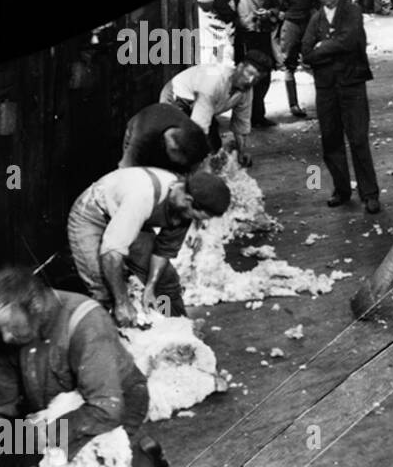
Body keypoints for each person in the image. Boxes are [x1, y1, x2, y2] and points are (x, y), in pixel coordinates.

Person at [0, 268, 169, 467]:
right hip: (63, 411)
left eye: (10, 327)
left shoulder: (85, 321)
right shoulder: (12, 334)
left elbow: (107, 408)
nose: (5, 337)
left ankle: (136, 455)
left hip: (117, 403)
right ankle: (130, 451)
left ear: (35, 306)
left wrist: (50, 433)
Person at [67, 166, 230, 325]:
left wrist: (151, 287)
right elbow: (111, 253)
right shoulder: (143, 197)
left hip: (127, 216)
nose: (198, 220)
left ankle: (174, 326)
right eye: (199, 215)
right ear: (189, 200)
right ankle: (119, 343)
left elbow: (163, 251)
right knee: (104, 289)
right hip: (92, 216)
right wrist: (122, 302)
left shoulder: (183, 208)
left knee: (165, 282)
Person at [301, 0, 381, 214]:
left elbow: (349, 41)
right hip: (326, 89)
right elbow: (306, 51)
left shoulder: (352, 12)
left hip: (352, 84)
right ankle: (342, 189)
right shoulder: (315, 18)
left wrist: (321, 48)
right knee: (331, 139)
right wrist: (324, 50)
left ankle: (370, 193)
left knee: (358, 138)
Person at [160, 57, 265, 165]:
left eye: (256, 79)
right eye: (249, 74)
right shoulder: (213, 82)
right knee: (181, 144)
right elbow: (199, 125)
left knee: (214, 147)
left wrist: (242, 152)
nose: (250, 80)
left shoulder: (246, 90)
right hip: (178, 95)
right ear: (239, 67)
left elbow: (241, 122)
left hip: (202, 103)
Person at [225, 0, 277, 128]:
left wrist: (270, 12)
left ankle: (258, 115)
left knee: (264, 74)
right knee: (245, 76)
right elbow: (221, 4)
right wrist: (241, 19)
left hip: (263, 33)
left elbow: (277, 6)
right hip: (245, 35)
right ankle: (242, 118)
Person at [271, 0, 315, 118]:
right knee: (289, 64)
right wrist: (279, 13)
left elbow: (317, 1)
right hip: (290, 24)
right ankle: (294, 104)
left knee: (315, 60)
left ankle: (324, 101)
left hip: (309, 23)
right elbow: (271, 4)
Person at [119, 103, 209, 173]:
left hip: (161, 120)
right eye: (181, 162)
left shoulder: (193, 132)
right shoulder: (142, 138)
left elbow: (199, 162)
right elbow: (124, 169)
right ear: (174, 148)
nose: (182, 163)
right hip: (139, 132)